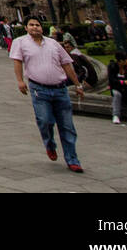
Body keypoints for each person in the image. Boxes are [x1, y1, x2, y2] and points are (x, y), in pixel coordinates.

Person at [10, 17, 84, 172]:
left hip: (60, 89)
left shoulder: (54, 44)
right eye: (31, 25)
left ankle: (72, 159)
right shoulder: (20, 42)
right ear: (26, 28)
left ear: (42, 28)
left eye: (37, 25)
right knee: (45, 121)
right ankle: (49, 143)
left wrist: (77, 84)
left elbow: (67, 65)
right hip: (39, 89)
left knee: (67, 126)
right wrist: (20, 81)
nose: (35, 27)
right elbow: (17, 61)